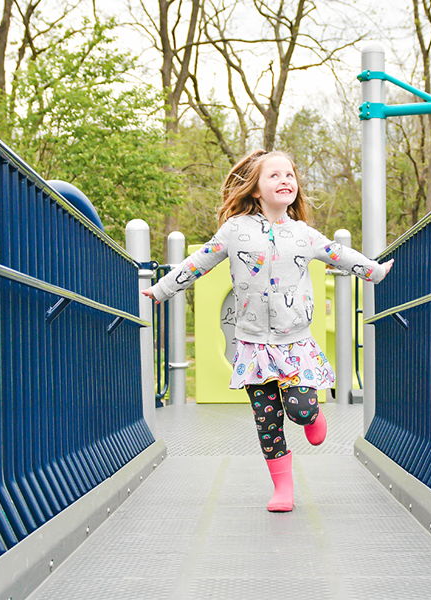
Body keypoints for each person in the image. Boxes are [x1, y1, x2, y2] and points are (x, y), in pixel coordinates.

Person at [142, 149, 393, 512]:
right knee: (268, 420)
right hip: (253, 344)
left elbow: (339, 253)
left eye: (289, 175)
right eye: (274, 176)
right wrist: (162, 290)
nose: (284, 181)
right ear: (256, 189)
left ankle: (312, 416)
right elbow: (199, 262)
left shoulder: (303, 234)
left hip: (294, 343)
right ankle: (283, 488)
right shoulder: (235, 231)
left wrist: (374, 270)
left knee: (300, 408)